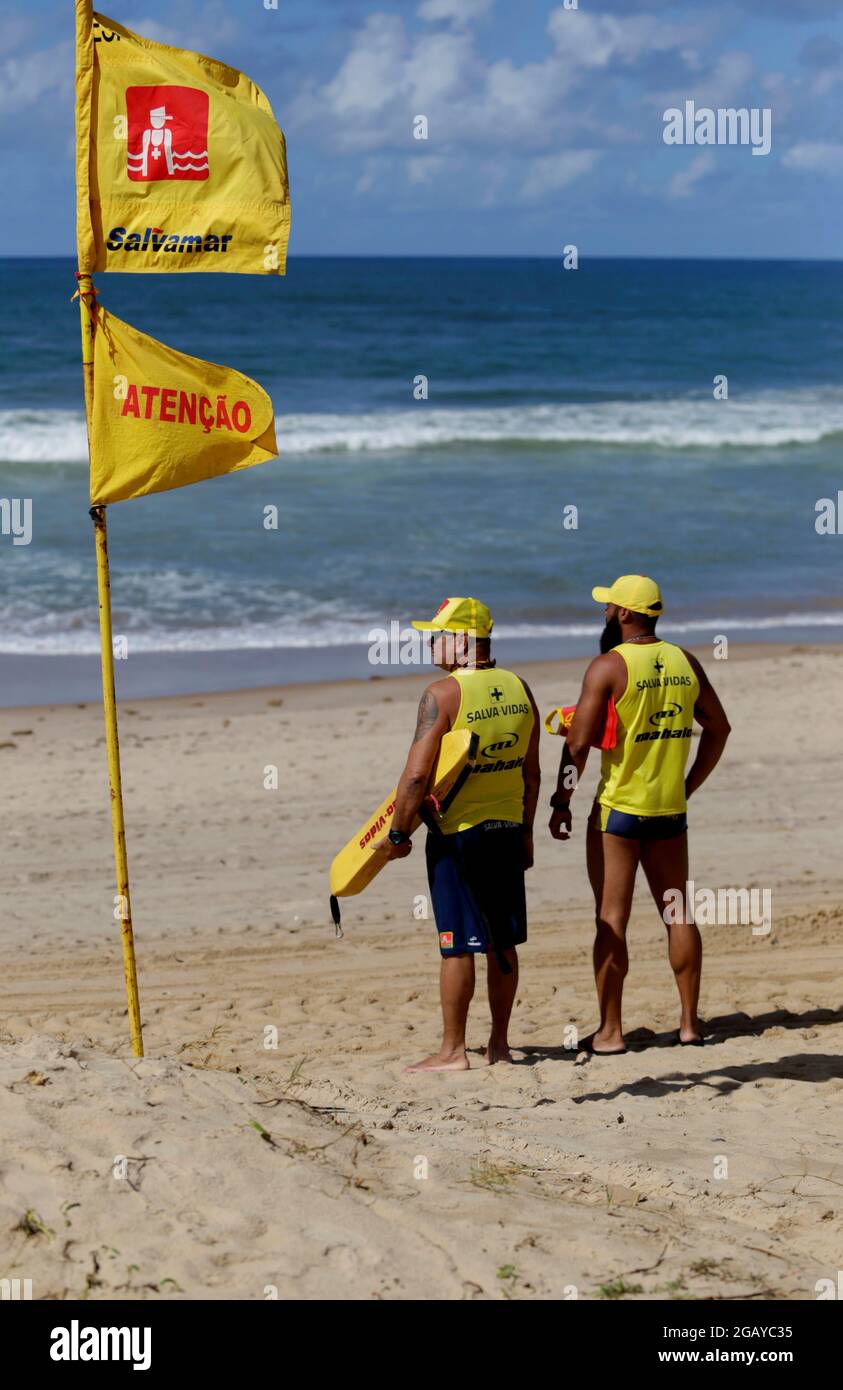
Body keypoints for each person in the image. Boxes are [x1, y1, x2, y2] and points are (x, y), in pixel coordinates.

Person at [548, 576, 730, 1054]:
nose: (605, 614)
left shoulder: (608, 667)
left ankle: (610, 1033)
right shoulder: (684, 661)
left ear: (626, 614)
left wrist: (561, 801)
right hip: (670, 811)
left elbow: (579, 743)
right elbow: (719, 727)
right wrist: (687, 786)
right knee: (678, 912)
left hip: (619, 813)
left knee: (612, 917)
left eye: (609, 608)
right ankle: (690, 1025)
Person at [375, 598, 540, 1072]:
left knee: (458, 943)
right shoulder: (519, 688)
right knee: (501, 942)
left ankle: (452, 1052)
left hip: (459, 837)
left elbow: (415, 778)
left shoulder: (442, 695)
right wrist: (526, 833)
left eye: (438, 634)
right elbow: (532, 773)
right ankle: (501, 1046)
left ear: (463, 641)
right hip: (507, 831)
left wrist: (398, 835)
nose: (430, 643)